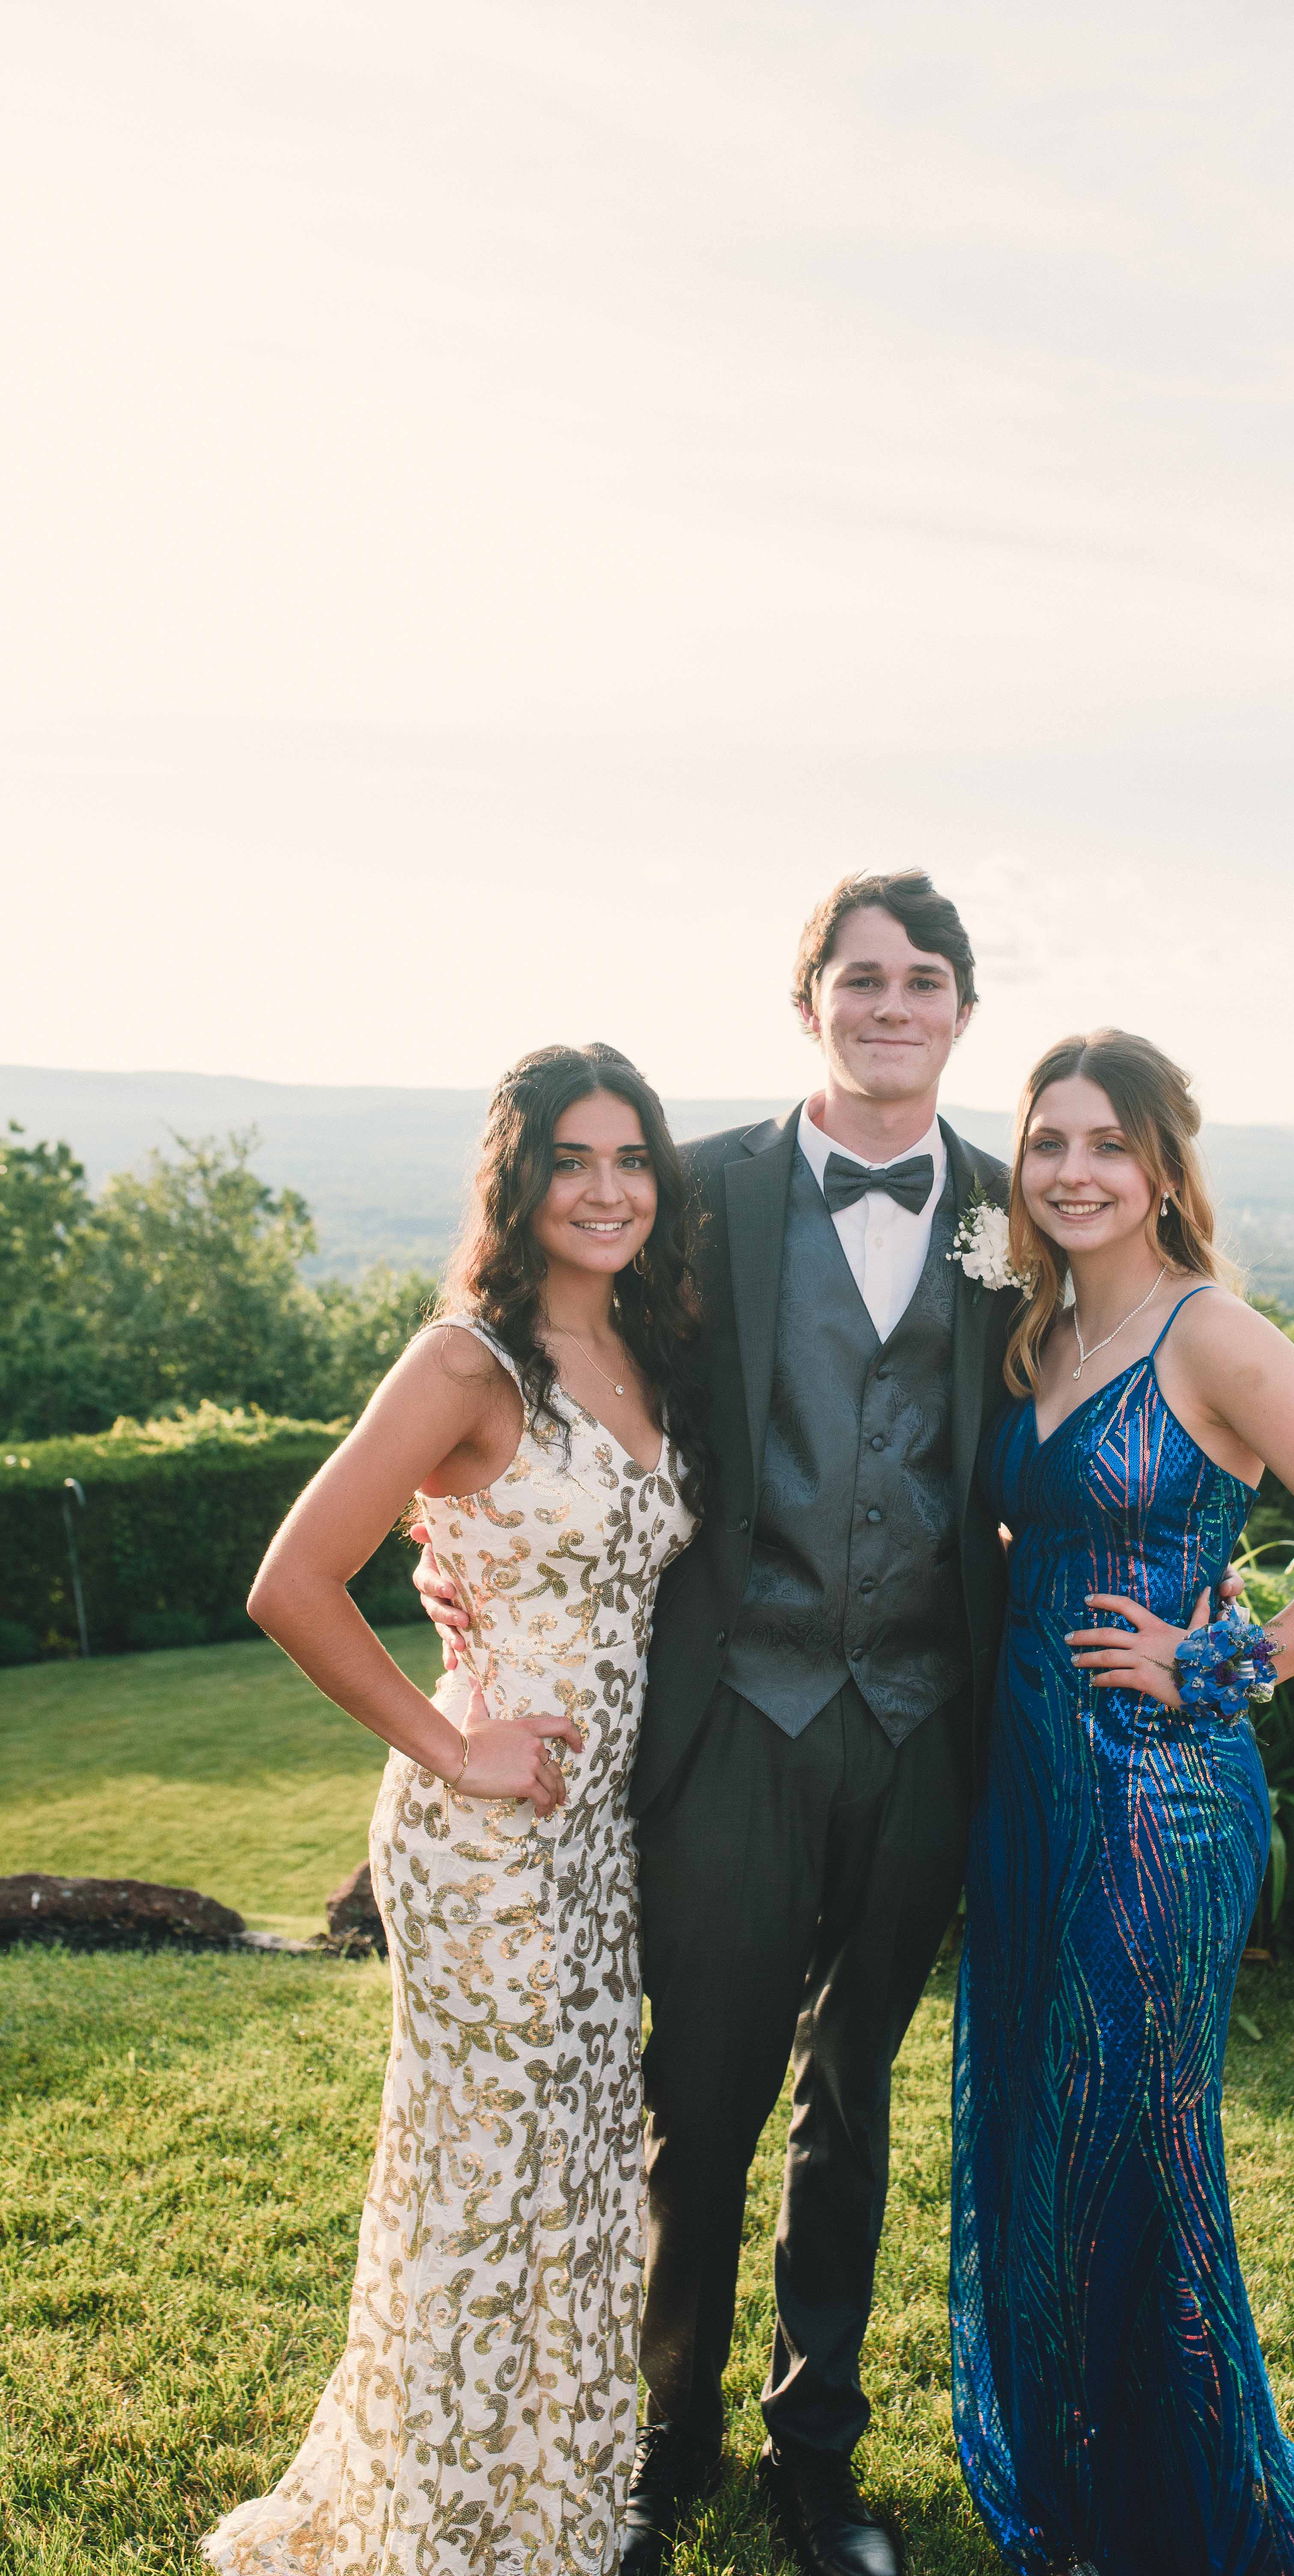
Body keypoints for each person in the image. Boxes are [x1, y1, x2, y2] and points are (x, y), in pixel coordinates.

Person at [415, 872, 1021, 2576]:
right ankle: (656, 2439)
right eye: (858, 976)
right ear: (808, 999)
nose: (888, 1003)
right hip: (737, 1710)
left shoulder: (997, 1214)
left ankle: (812, 2457)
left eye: (921, 980)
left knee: (856, 2092)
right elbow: (553, 1346)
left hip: (922, 1713)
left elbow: (1073, 1381)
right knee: (711, 2087)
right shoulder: (710, 1191)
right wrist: (440, 1526)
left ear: (960, 1010)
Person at [203, 1043, 703, 2576]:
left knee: (573, 2174)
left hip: (596, 1840)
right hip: (484, 1845)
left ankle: (542, 2505)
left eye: (632, 1161)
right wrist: (452, 1742)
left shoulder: (640, 1351)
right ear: (521, 1179)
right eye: (575, 1161)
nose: (608, 1190)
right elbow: (293, 1583)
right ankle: (435, 2529)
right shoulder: (463, 1365)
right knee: (484, 2185)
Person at [951, 1030, 1294, 2576]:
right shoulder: (1036, 1337)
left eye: (1107, 1143)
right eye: (1048, 1144)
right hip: (1030, 1793)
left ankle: (1190, 2511)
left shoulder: (1212, 1335)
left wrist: (1223, 1657)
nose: (1074, 1171)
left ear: (1163, 1165)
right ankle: (1086, 2493)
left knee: (1133, 2148)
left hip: (1161, 1802)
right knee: (1037, 2138)